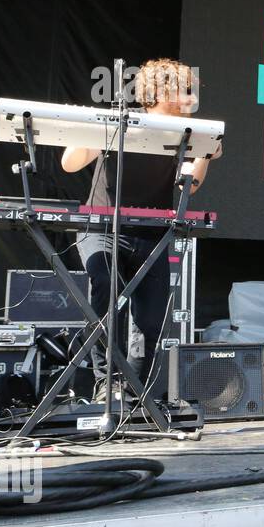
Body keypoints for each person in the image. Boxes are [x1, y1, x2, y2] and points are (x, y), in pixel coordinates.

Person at [61, 58, 221, 401]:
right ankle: (108, 382)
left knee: (150, 320)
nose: (191, 98)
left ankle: (135, 392)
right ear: (161, 91)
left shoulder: (187, 133)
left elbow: (188, 186)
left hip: (150, 234)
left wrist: (206, 152)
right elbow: (70, 163)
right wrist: (87, 131)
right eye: (184, 90)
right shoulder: (120, 123)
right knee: (105, 283)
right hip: (102, 226)